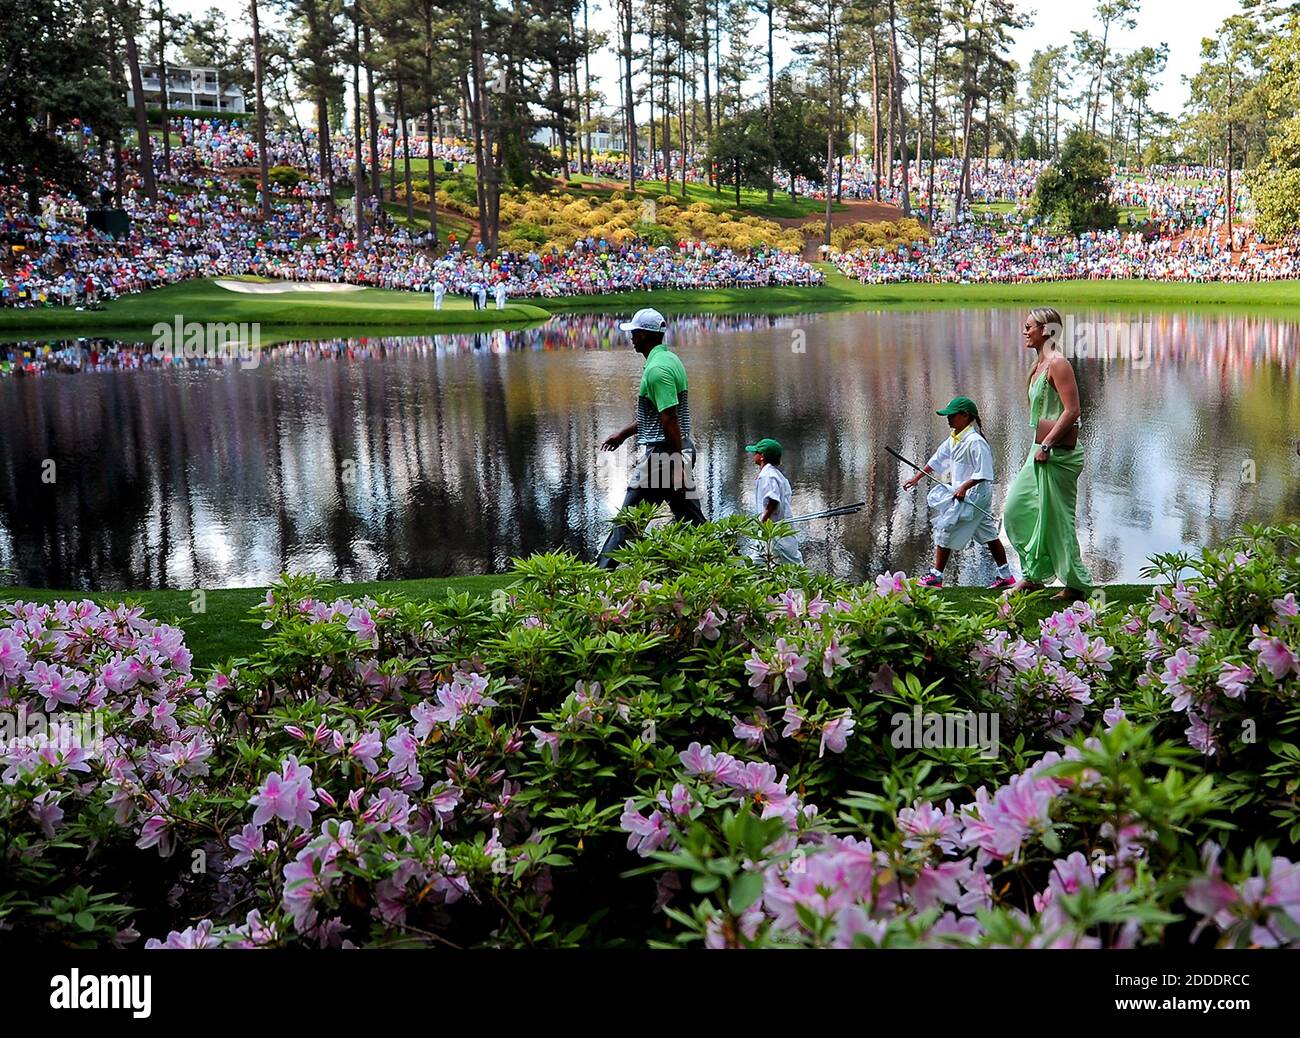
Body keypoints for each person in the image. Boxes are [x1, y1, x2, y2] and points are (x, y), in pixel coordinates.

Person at [596, 307, 706, 568]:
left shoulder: (657, 370)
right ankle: (716, 568)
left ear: (645, 335)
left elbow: (669, 419)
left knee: (628, 520)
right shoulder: (670, 360)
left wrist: (677, 465)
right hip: (676, 451)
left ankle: (600, 576)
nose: (631, 337)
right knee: (691, 520)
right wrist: (624, 434)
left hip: (664, 456)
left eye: (634, 332)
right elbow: (659, 416)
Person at [1002, 307, 1093, 601]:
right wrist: (1040, 446)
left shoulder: (1059, 364)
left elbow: (1073, 411)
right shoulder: (1038, 365)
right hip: (1039, 450)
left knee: (1058, 519)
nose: (1024, 330)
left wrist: (1047, 444)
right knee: (1015, 510)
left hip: (1057, 453)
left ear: (1047, 330)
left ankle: (1076, 585)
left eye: (1029, 326)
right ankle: (1033, 575)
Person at [903, 395, 1015, 589]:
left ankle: (936, 576)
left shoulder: (975, 441)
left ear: (965, 416)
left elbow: (985, 472)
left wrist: (963, 487)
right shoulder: (954, 438)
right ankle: (1006, 576)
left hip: (975, 495)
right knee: (988, 532)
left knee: (946, 527)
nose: (949, 419)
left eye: (953, 415)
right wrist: (916, 478)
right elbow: (937, 458)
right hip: (966, 493)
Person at [746, 437, 802, 565]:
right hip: (769, 529)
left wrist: (764, 521)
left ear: (762, 457)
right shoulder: (772, 474)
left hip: (775, 529)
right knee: (756, 560)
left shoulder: (768, 476)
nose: (753, 455)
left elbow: (773, 501)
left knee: (791, 564)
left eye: (756, 452)